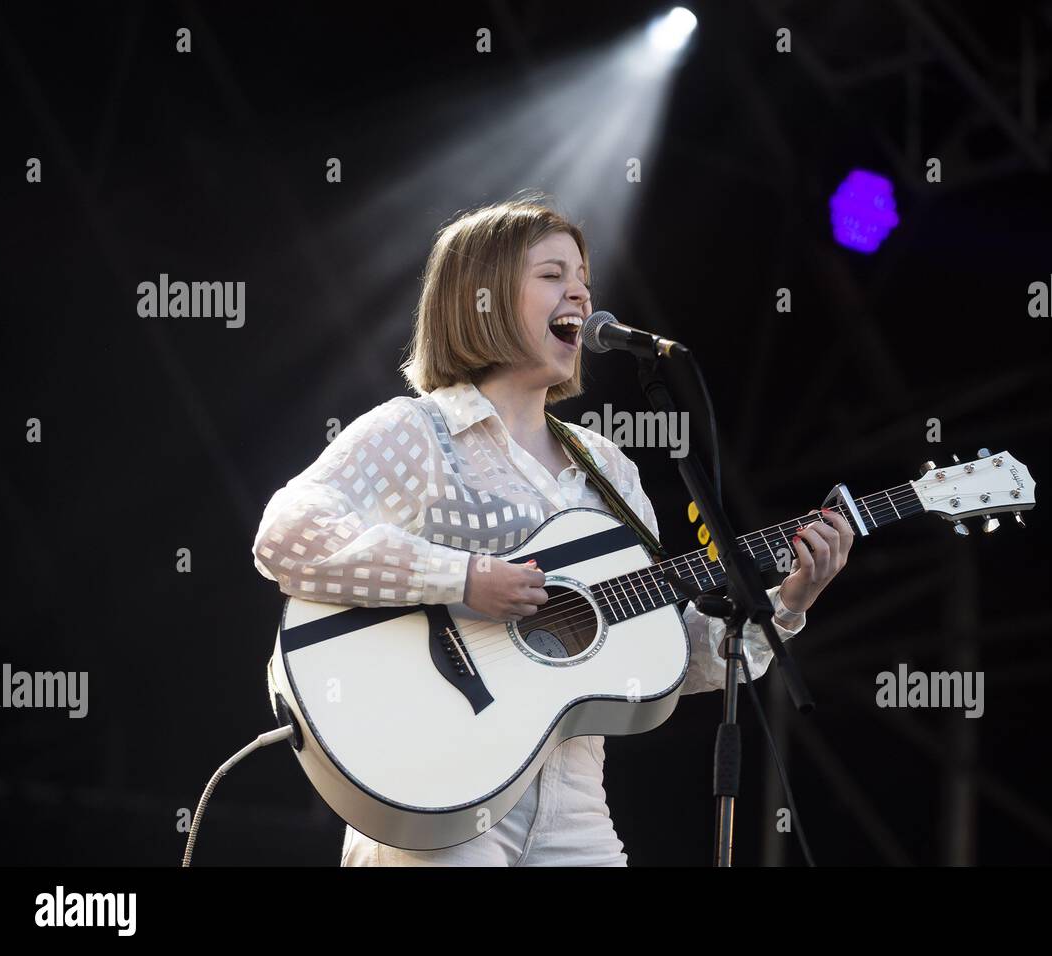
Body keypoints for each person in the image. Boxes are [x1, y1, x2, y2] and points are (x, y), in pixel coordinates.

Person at [251, 194, 854, 866]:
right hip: (441, 794)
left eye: (584, 277)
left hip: (576, 813)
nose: (581, 292)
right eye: (551, 274)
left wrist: (788, 602)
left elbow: (662, 659)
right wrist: (463, 578)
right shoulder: (417, 432)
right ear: (479, 298)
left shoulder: (611, 472)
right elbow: (287, 534)